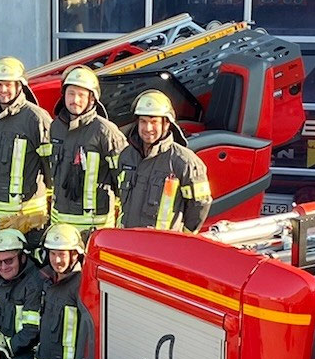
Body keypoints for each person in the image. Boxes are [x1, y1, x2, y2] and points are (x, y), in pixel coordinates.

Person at [118, 89, 212, 232]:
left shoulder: (184, 162)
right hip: (127, 240)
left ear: (166, 124)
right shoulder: (127, 156)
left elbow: (200, 204)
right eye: (143, 121)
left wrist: (184, 237)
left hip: (161, 243)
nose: (148, 128)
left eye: (154, 122)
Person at [48, 66, 127, 235]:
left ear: (92, 99)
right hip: (59, 225)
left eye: (81, 95)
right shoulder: (55, 128)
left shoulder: (105, 132)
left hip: (94, 227)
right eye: (71, 93)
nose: (75, 100)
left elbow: (124, 178)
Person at [0, 56, 52, 229]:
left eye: (8, 85)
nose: (3, 90)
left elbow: (52, 169)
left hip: (25, 219)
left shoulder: (36, 118)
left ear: (20, 86)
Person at [32, 223, 87, 359]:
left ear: (75, 255)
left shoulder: (81, 285)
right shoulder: (47, 281)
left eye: (62, 255)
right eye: (53, 254)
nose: (56, 260)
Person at [0, 229, 44, 359]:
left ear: (22, 257)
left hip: (24, 351)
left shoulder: (34, 284)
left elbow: (31, 331)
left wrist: (2, 350)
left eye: (9, 261)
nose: (3, 267)